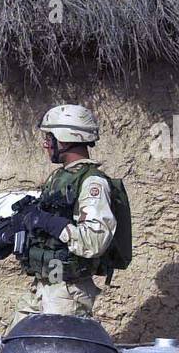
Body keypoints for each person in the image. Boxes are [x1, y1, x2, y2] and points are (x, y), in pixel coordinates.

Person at [8, 104, 120, 328]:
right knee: (14, 346)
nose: (46, 144)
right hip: (44, 286)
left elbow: (95, 241)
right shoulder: (59, 178)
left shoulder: (92, 182)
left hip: (68, 292)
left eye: (50, 137)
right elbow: (43, 229)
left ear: (66, 138)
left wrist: (50, 223)